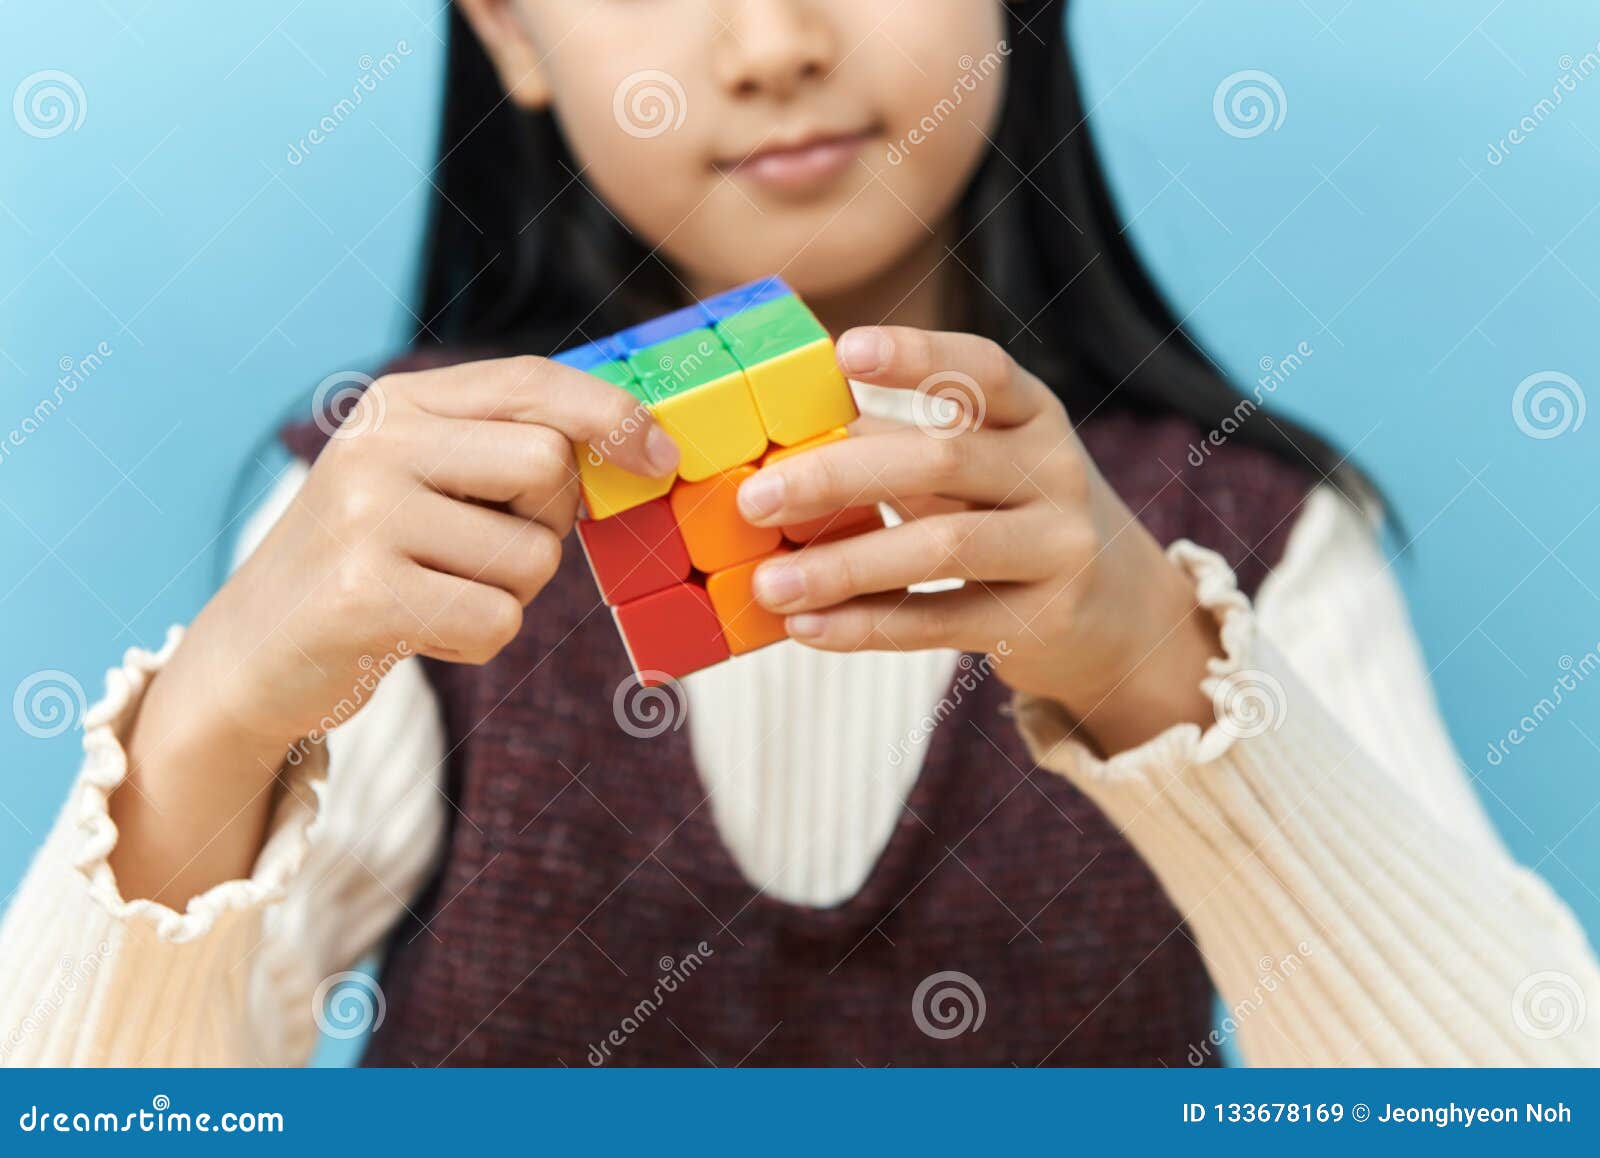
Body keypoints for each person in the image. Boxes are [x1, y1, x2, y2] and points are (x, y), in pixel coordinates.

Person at [2, 0, 1596, 1067]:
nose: (772, 43)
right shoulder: (405, 523)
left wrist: (1158, 674)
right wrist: (206, 727)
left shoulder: (1245, 542)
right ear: (506, 28)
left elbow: (1521, 1092)